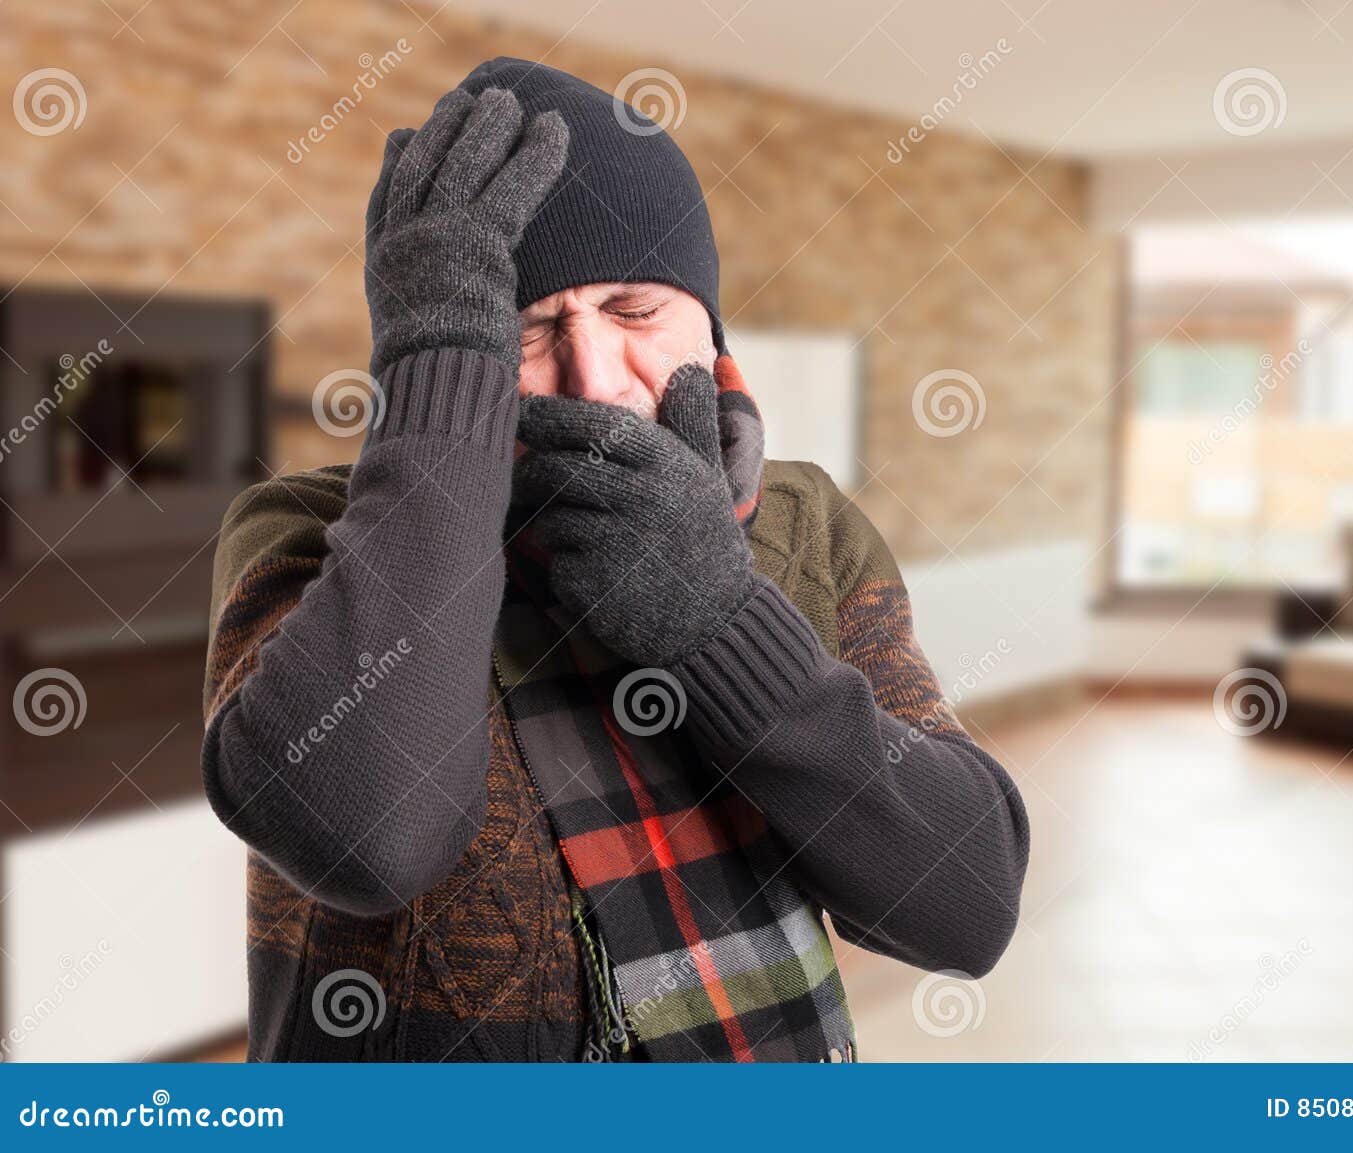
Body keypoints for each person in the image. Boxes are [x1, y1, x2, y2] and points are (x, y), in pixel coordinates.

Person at [200, 57, 1029, 1062]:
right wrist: (437, 392)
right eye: (526, 330)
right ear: (444, 350)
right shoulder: (298, 533)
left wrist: (720, 621)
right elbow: (364, 835)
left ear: (711, 333)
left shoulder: (806, 522)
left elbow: (966, 904)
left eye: (635, 311)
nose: (594, 378)